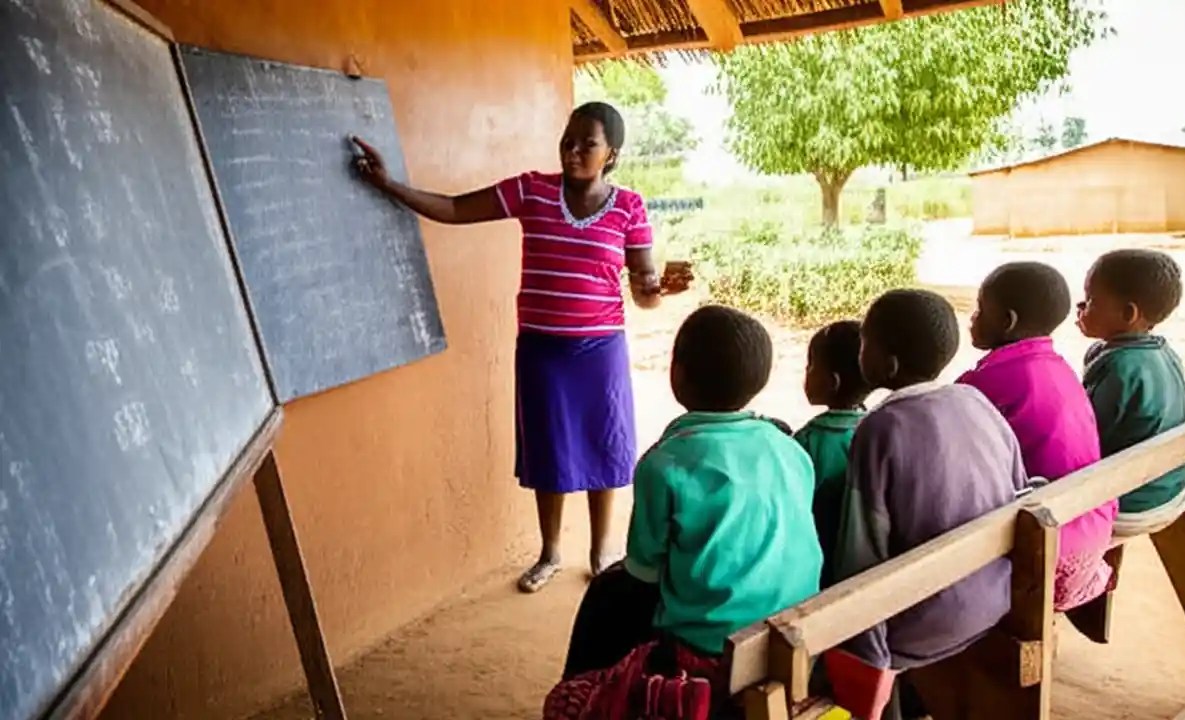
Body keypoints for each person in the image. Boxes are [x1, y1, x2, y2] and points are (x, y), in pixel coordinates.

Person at [352, 102, 692, 593]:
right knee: (550, 449)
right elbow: (453, 209)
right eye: (568, 140)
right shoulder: (531, 190)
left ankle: (601, 551)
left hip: (600, 350)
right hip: (542, 349)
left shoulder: (629, 208)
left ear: (611, 154)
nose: (573, 151)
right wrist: (388, 185)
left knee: (603, 444)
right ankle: (550, 552)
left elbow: (643, 293)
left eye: (587, 144)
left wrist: (661, 290)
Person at [545, 305, 822, 720]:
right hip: (796, 634)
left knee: (605, 595)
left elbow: (643, 575)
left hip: (708, 651)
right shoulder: (790, 449)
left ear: (677, 374)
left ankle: (589, 696)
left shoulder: (665, 464)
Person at [829, 289, 1026, 719]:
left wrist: (864, 652)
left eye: (865, 341)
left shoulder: (879, 428)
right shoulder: (975, 400)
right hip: (993, 596)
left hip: (921, 627)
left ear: (888, 364)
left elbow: (861, 553)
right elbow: (1018, 488)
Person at [959, 262, 1115, 611]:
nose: (972, 318)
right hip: (1092, 534)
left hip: (1047, 552)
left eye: (981, 310)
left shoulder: (986, 382)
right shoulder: (1059, 367)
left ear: (1007, 321)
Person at [1076, 249, 1185, 537]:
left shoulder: (1120, 368)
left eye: (1090, 302)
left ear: (1128, 314)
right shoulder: (1165, 352)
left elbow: (1088, 438)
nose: (1081, 308)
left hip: (1131, 504)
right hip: (1172, 489)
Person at [793, 320, 871, 588]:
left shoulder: (807, 441)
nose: (805, 373)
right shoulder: (876, 429)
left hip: (823, 558)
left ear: (831, 382)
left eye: (810, 365)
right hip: (864, 557)